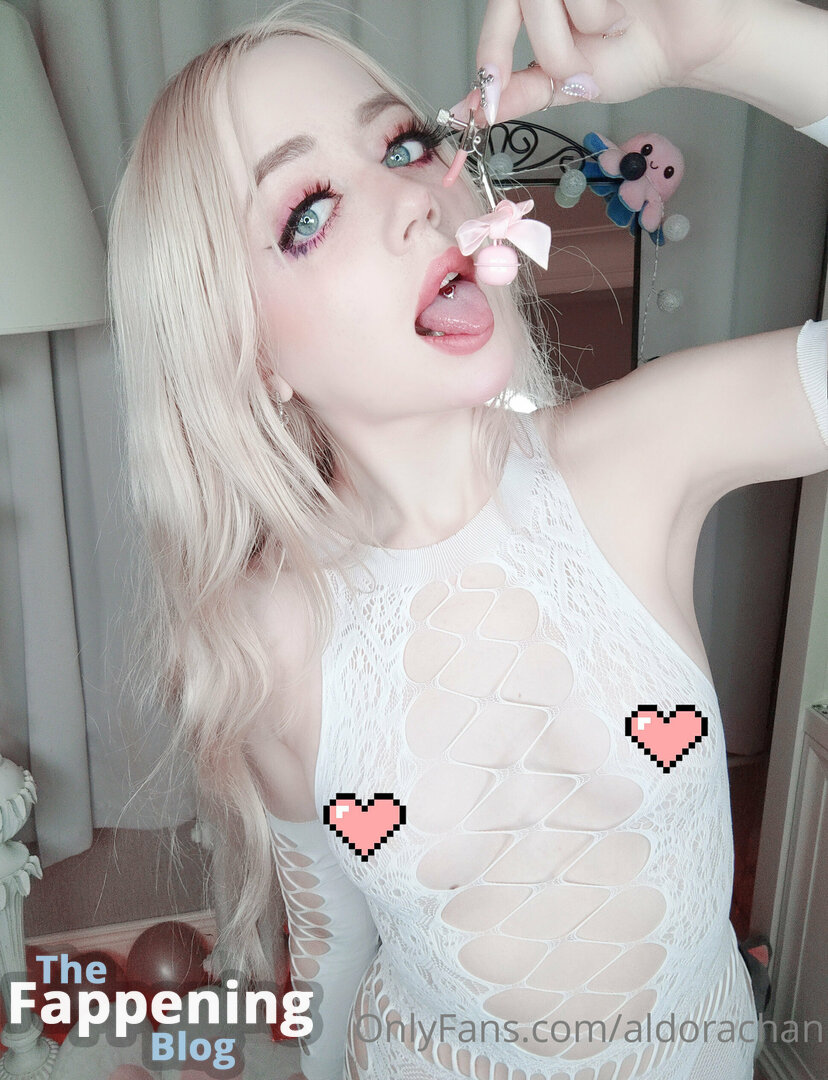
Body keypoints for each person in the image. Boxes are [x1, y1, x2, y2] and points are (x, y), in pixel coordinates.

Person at [107, 0, 828, 1077]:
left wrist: (724, 40)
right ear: (248, 352)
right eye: (309, 211)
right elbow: (332, 954)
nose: (414, 197)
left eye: (404, 145)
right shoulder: (267, 639)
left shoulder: (639, 458)